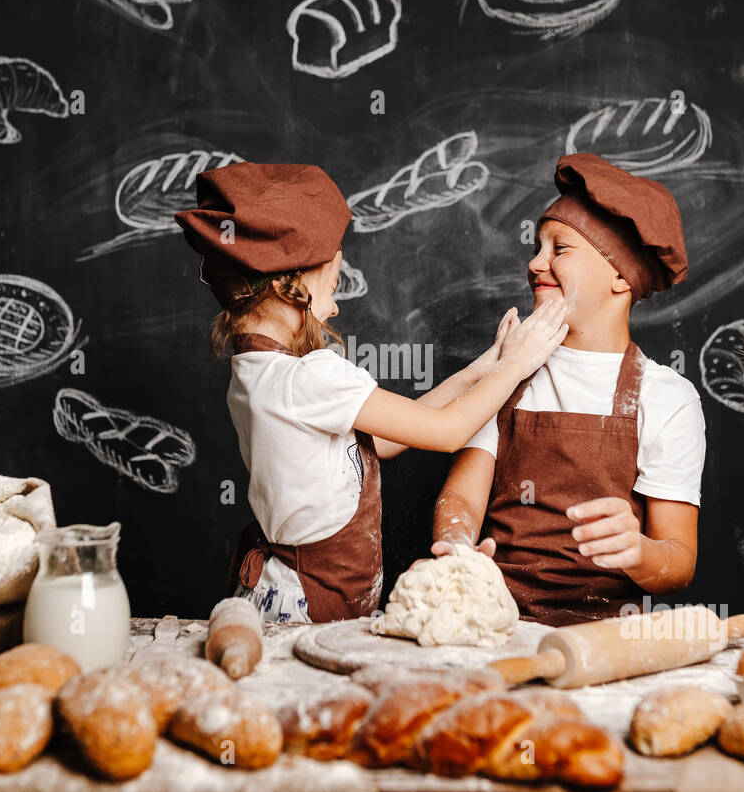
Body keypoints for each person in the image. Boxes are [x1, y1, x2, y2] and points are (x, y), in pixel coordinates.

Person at [174, 161, 567, 623]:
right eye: (332, 286)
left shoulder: (256, 373)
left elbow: (380, 440)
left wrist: (484, 369)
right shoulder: (311, 377)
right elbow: (446, 432)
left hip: (272, 595)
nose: (336, 305)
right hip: (305, 605)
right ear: (287, 286)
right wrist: (520, 362)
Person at [431, 152, 705, 626]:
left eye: (559, 249)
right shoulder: (511, 373)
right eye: (537, 247)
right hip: (497, 621)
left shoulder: (667, 398)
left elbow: (677, 564)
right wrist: (457, 549)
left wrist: (638, 551)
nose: (535, 263)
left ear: (621, 275)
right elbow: (462, 497)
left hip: (605, 636)